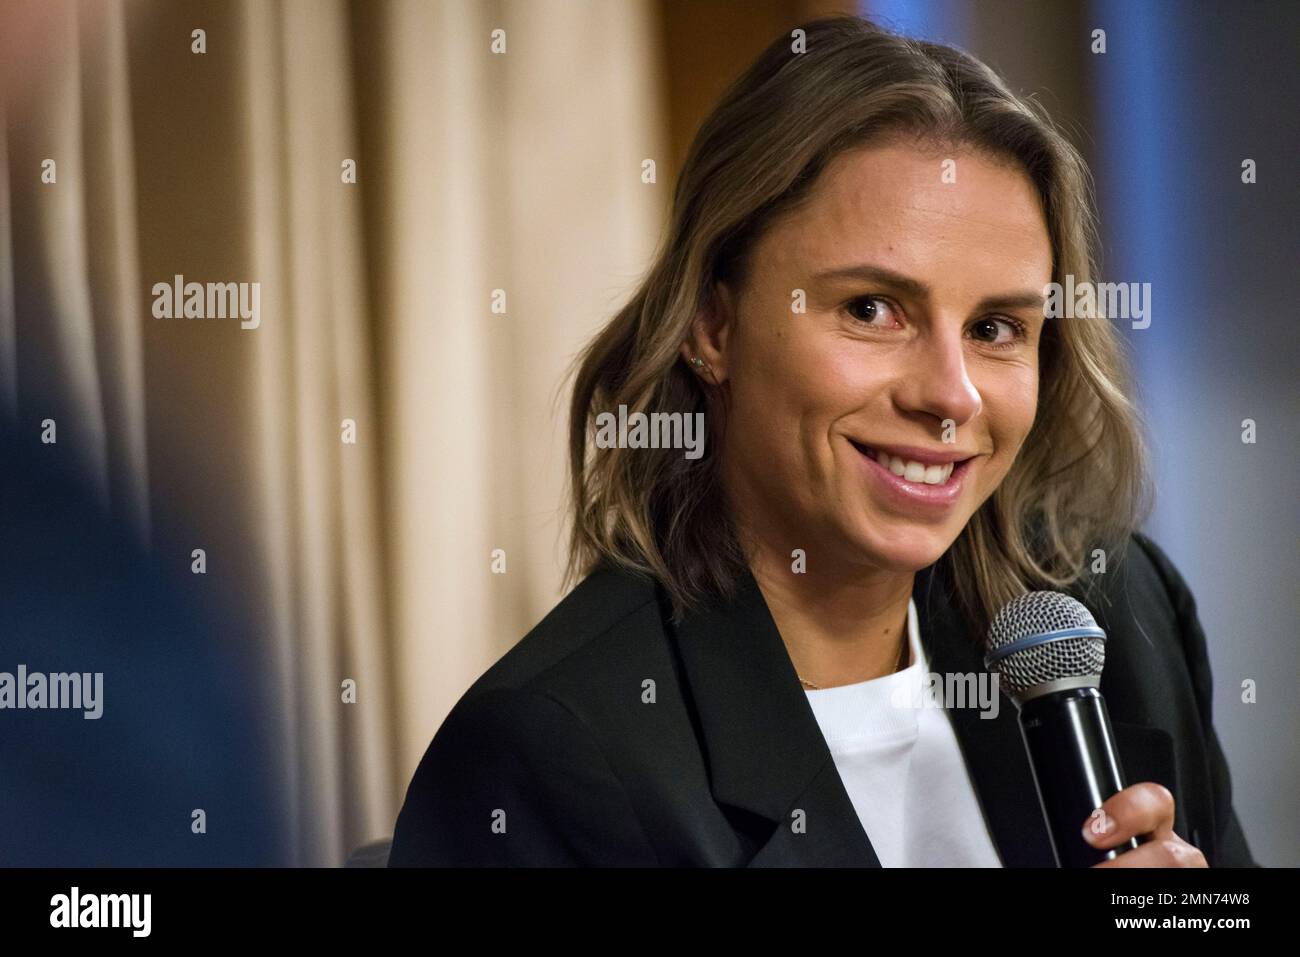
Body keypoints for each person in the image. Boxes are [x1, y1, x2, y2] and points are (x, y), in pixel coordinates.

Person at [389, 14, 1255, 867]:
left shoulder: (1120, 612)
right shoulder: (548, 757)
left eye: (995, 326)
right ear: (712, 326)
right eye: (871, 310)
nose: (950, 395)